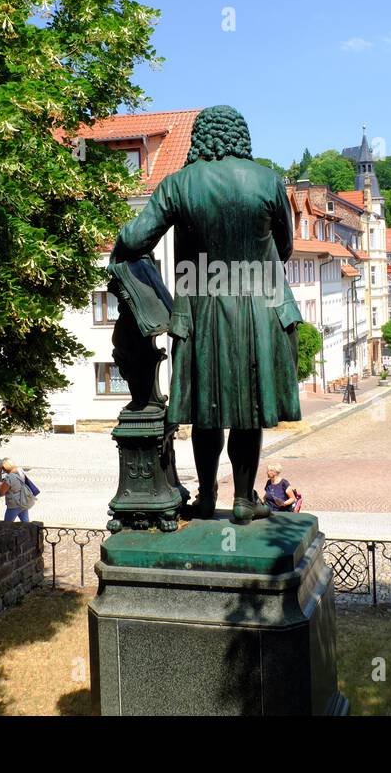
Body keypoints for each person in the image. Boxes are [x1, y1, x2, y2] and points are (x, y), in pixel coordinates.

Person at [111, 105, 302, 525]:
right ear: (241, 137)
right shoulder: (268, 180)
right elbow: (285, 249)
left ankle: (207, 495)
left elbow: (135, 237)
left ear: (201, 137)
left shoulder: (179, 184)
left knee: (206, 408)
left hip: (200, 312)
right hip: (258, 309)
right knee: (249, 409)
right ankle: (245, 498)